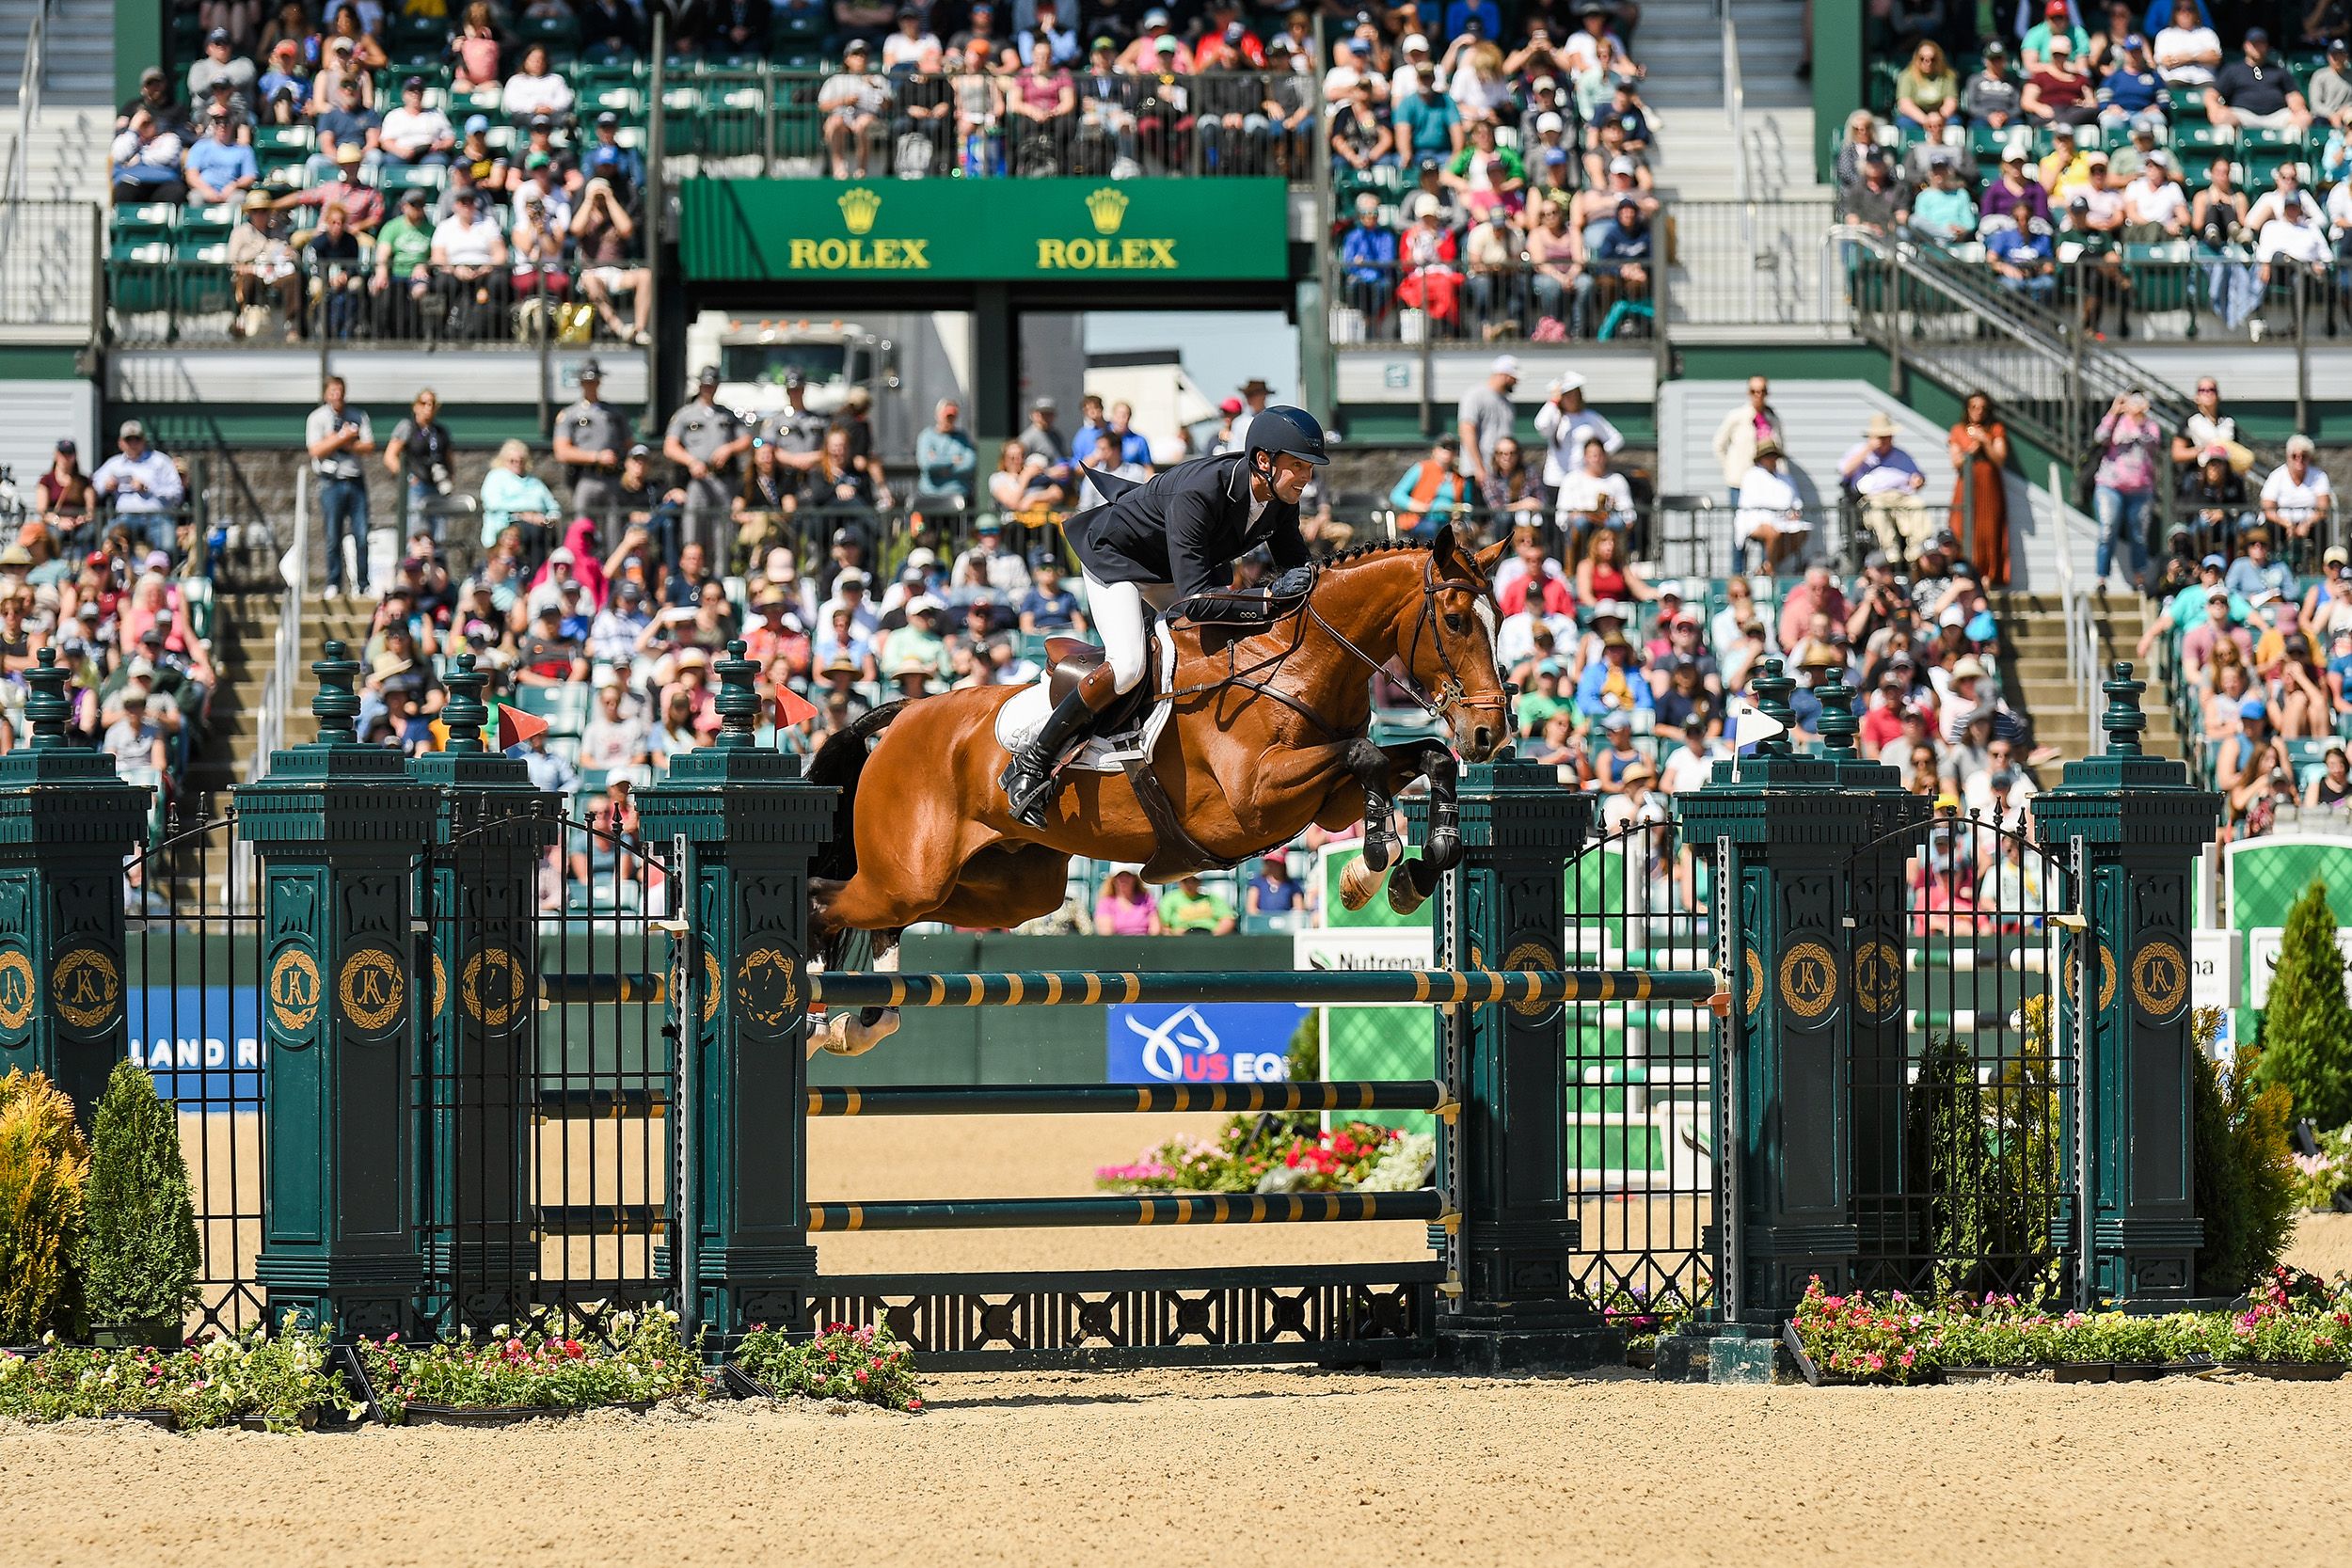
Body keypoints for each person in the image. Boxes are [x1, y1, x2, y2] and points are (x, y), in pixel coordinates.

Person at [1004, 407, 1326, 826]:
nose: (1305, 477)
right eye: (1297, 465)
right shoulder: (1200, 492)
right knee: (1129, 666)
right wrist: (1264, 597)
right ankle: (1032, 762)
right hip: (1116, 559)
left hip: (1170, 568)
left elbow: (1297, 569)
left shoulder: (1281, 500)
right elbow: (1194, 602)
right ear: (1264, 461)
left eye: (1309, 468)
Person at [663, 367, 752, 564]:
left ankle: (721, 574)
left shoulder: (727, 415)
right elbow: (670, 447)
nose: (708, 389)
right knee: (693, 528)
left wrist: (729, 448)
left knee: (723, 531)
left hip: (723, 478)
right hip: (697, 479)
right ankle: (691, 571)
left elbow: (747, 440)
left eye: (712, 385)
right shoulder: (685, 414)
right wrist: (691, 461)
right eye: (705, 385)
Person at [308, 375, 374, 598]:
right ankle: (333, 582)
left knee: (362, 535)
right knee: (332, 535)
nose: (337, 395)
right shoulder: (317, 418)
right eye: (333, 391)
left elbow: (369, 445)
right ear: (326, 394)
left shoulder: (358, 416)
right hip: (331, 482)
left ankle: (362, 584)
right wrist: (342, 437)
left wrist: (338, 441)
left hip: (355, 481)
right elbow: (316, 450)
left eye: (340, 391)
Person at [1842, 414, 1933, 562]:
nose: (1884, 441)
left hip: (1901, 497)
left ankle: (1916, 549)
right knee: (1878, 509)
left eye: (1887, 436)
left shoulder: (1901, 455)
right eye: (1880, 437)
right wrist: (1869, 449)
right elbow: (1846, 470)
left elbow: (1918, 476)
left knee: (1918, 504)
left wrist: (1918, 481)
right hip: (1873, 498)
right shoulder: (1860, 452)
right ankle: (1890, 550)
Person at [91, 420, 185, 556]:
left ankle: (163, 575)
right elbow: (93, 487)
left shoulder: (160, 461)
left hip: (156, 516)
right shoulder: (114, 464)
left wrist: (148, 488)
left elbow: (177, 492)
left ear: (144, 440)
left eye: (137, 439)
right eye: (128, 439)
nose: (133, 443)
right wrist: (106, 486)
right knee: (107, 539)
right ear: (120, 442)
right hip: (125, 517)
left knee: (167, 546)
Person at [1947, 394, 2010, 588]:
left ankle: (1987, 577)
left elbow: (1999, 459)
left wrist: (1985, 441)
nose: (1978, 411)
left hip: (1989, 488)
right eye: (1973, 406)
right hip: (1967, 486)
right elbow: (1956, 462)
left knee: (1988, 531)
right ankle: (1962, 573)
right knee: (1961, 527)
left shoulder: (1995, 429)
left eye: (1982, 407)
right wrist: (1973, 449)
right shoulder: (1958, 431)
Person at [1735, 438, 1806, 571]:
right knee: (1773, 533)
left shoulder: (1786, 478)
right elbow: (1753, 503)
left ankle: (1767, 567)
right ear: (1760, 458)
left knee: (1801, 533)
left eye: (1774, 456)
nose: (1771, 459)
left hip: (1783, 520)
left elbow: (1796, 501)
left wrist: (1794, 513)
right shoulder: (1752, 476)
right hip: (1756, 520)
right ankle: (1770, 570)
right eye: (1768, 456)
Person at [1456, 356, 1519, 493]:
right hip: (1477, 474)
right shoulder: (1475, 396)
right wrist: (1478, 467)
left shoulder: (1508, 404)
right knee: (1477, 514)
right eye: (1513, 378)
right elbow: (1466, 431)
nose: (1516, 382)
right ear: (1504, 375)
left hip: (1501, 474)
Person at [2261, 436, 2333, 545]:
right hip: (2282, 522)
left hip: (2310, 522)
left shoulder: (2319, 476)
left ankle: (2320, 560)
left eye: (2303, 456)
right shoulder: (2276, 476)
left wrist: (2307, 523)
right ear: (2288, 457)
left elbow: (2323, 508)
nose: (2299, 460)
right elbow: (2267, 508)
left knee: (2321, 527)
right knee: (2271, 528)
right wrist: (2287, 524)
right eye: (2294, 456)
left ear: (2309, 457)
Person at [1158, 871, 1238, 935]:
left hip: (1209, 936)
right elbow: (1163, 926)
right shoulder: (1170, 898)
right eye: (1185, 880)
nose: (1189, 884)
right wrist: (1175, 934)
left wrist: (1214, 936)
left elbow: (1228, 919)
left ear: (1199, 882)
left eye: (1193, 880)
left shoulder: (1212, 898)